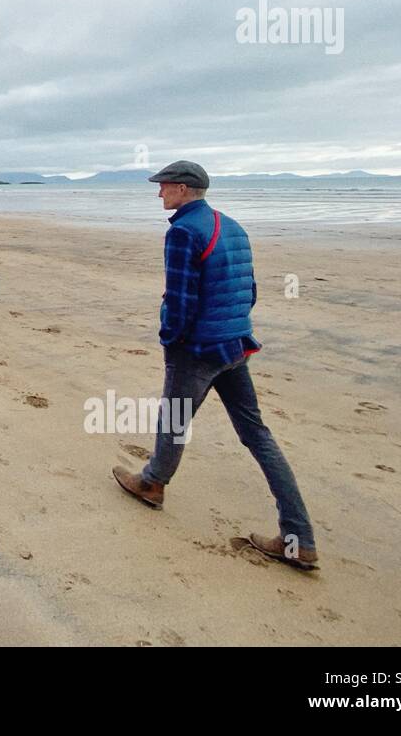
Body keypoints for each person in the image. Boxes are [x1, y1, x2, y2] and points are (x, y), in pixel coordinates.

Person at [111, 160, 319, 571]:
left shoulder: (184, 231)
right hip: (236, 344)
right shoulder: (233, 226)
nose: (160, 194)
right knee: (256, 435)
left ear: (185, 190)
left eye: (165, 187)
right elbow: (250, 289)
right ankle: (300, 539)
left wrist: (171, 341)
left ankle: (153, 483)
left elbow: (181, 300)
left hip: (201, 348)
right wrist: (231, 327)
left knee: (173, 419)